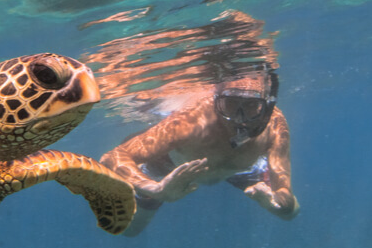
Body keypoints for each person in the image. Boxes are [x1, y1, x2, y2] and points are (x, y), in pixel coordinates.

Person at [100, 66, 299, 236]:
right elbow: (114, 156)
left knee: (290, 212)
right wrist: (156, 189)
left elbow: (286, 196)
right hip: (172, 167)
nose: (239, 118)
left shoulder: (274, 124)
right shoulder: (191, 121)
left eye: (251, 105)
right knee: (131, 230)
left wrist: (275, 204)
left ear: (266, 104)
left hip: (241, 168)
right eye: (229, 104)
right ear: (215, 99)